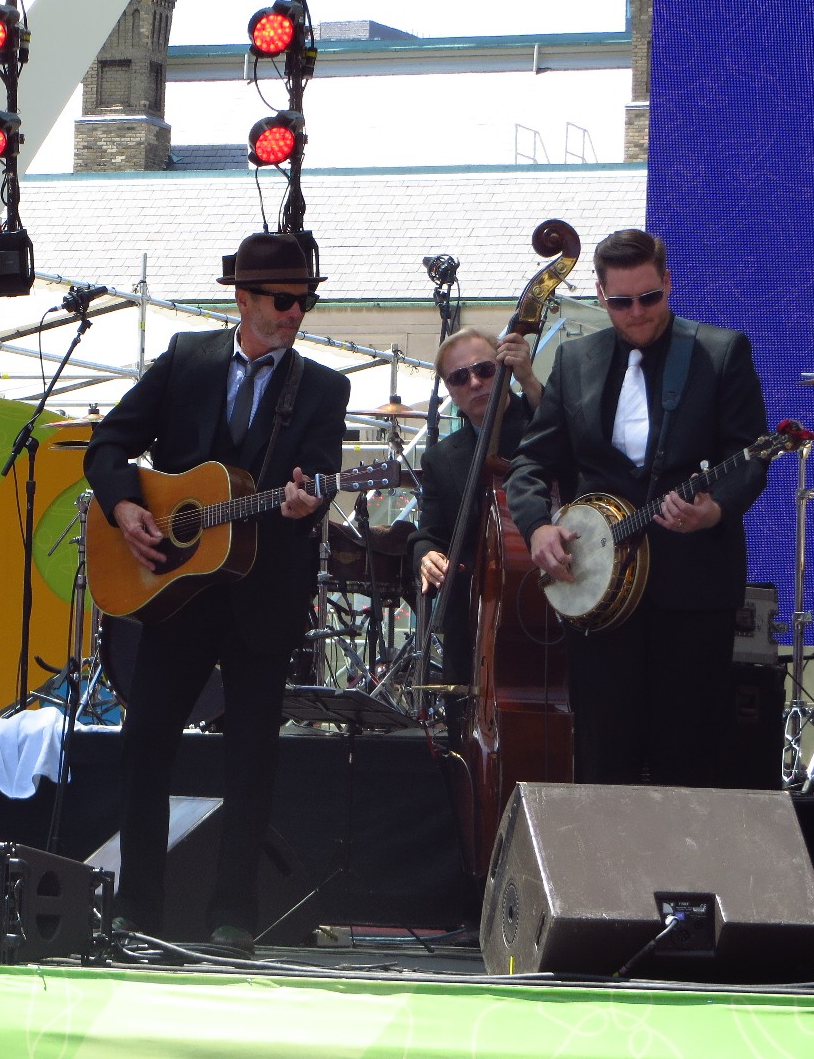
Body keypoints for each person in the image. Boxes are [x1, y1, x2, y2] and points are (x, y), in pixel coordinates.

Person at [83, 232, 351, 954]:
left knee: (251, 755)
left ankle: (232, 913)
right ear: (243, 298)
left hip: (263, 595)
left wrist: (309, 502)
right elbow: (107, 445)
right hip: (174, 593)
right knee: (143, 742)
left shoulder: (322, 388)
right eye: (283, 300)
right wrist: (125, 508)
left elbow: (317, 477)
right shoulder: (185, 359)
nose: (296, 313)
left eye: (304, 301)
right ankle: (134, 907)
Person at [504, 229, 768, 785]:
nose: (638, 313)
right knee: (603, 755)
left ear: (668, 284)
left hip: (692, 589)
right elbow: (531, 464)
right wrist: (536, 530)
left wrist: (714, 511)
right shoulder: (576, 360)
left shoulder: (720, 352)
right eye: (621, 302)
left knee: (687, 757)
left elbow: (748, 457)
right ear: (600, 295)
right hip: (597, 593)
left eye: (650, 297)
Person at [409, 328, 542, 698]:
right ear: (449, 390)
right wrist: (426, 556)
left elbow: (570, 433)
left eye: (485, 370)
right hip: (470, 621)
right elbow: (429, 533)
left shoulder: (541, 423)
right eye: (459, 377)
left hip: (540, 608)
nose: (475, 383)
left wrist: (529, 379)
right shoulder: (440, 458)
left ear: (503, 368)